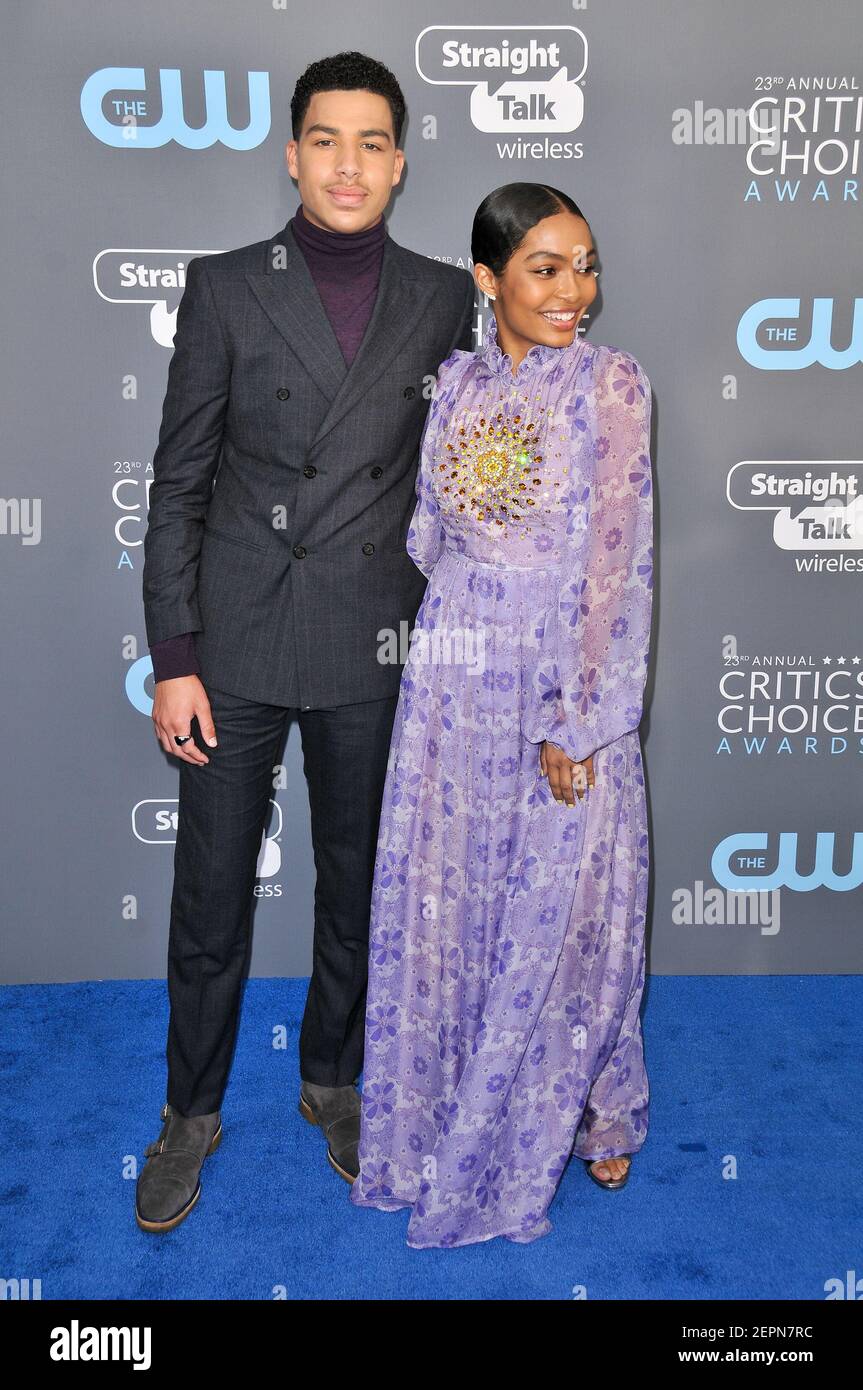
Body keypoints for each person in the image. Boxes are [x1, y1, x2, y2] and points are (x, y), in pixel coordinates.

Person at [135, 51, 475, 1232]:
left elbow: (462, 481)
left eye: (371, 142)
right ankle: (190, 1109)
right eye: (325, 140)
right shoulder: (226, 286)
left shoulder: (443, 299)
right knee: (211, 893)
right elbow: (177, 485)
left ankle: (331, 1079)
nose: (347, 164)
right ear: (292, 154)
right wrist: (173, 655)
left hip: (370, 641)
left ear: (399, 161)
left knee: (357, 885)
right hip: (232, 640)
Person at [350, 182, 654, 1248]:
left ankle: (595, 1104)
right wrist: (461, 623)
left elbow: (616, 565)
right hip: (451, 672)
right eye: (544, 267)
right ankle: (446, 1100)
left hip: (558, 670)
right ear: (488, 280)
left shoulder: (609, 386)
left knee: (571, 911)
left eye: (584, 265)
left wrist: (578, 716)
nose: (574, 289)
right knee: (454, 896)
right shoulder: (456, 385)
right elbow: (429, 529)